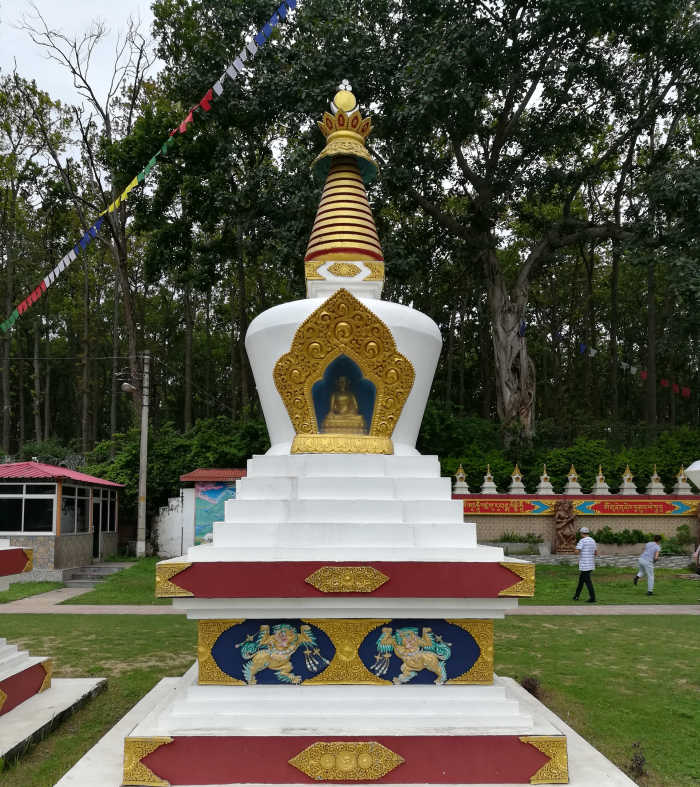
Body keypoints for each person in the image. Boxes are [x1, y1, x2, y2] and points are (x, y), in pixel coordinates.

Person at [573, 526, 597, 603]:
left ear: (581, 533)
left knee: (588, 582)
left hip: (584, 565)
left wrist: (574, 547)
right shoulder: (593, 540)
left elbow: (576, 552)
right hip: (591, 564)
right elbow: (595, 553)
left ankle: (592, 598)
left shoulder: (582, 541)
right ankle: (576, 596)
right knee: (581, 581)